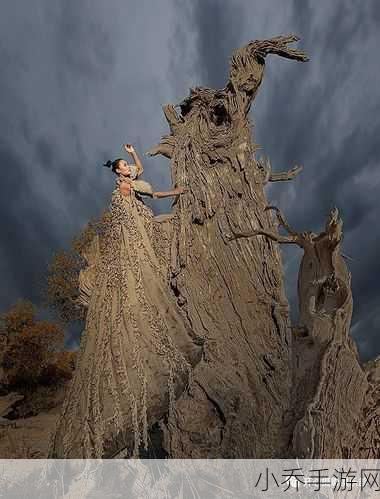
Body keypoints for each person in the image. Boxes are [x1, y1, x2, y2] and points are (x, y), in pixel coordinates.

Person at [48, 144, 203, 458]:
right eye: (122, 166)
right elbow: (134, 196)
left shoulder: (132, 177)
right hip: (132, 231)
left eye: (125, 166)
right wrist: (142, 190)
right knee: (136, 276)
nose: (126, 169)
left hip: (141, 220)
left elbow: (146, 181)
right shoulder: (121, 188)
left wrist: (143, 162)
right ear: (118, 173)